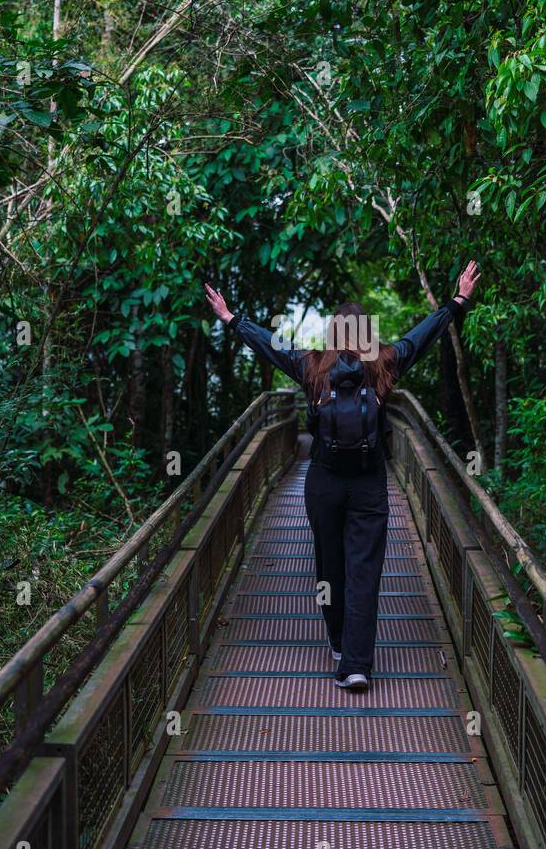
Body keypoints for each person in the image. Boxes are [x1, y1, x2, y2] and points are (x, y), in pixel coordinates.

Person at [204, 260, 480, 692]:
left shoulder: (312, 367)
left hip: (323, 482)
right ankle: (355, 665)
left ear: (333, 332)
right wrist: (457, 301)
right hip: (369, 482)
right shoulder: (384, 363)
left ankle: (337, 639)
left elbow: (271, 347)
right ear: (367, 332)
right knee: (364, 571)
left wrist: (233, 319)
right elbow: (421, 337)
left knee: (329, 565)